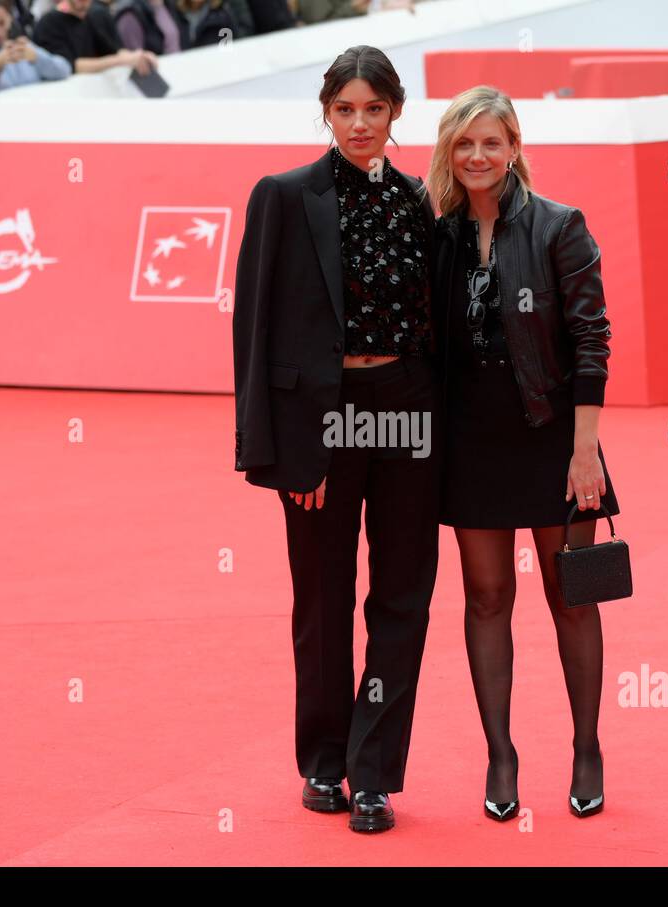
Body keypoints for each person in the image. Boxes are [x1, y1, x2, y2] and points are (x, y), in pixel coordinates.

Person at [232, 45, 440, 834]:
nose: (360, 123)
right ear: (327, 112)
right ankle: (324, 760)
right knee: (321, 596)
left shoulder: (421, 201)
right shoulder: (285, 197)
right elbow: (255, 330)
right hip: (325, 416)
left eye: (375, 109)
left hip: (409, 409)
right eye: (346, 109)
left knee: (403, 594)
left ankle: (375, 772)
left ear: (395, 114)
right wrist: (279, 450)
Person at [427, 85, 622, 821]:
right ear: (450, 150)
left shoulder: (558, 227)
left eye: (492, 142)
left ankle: (586, 745)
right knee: (485, 599)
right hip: (472, 442)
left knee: (572, 596)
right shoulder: (437, 233)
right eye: (465, 143)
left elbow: (592, 340)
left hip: (551, 436)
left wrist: (585, 451)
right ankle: (501, 754)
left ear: (514, 148)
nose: (478, 156)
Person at [33, 0, 156, 74]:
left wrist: (139, 56)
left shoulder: (98, 14)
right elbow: (71, 66)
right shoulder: (48, 24)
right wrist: (122, 61)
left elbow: (116, 50)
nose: (82, 4)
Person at [0, 0, 68, 88]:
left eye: (1, 23)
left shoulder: (21, 45)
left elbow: (64, 70)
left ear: (10, 18)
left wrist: (37, 57)